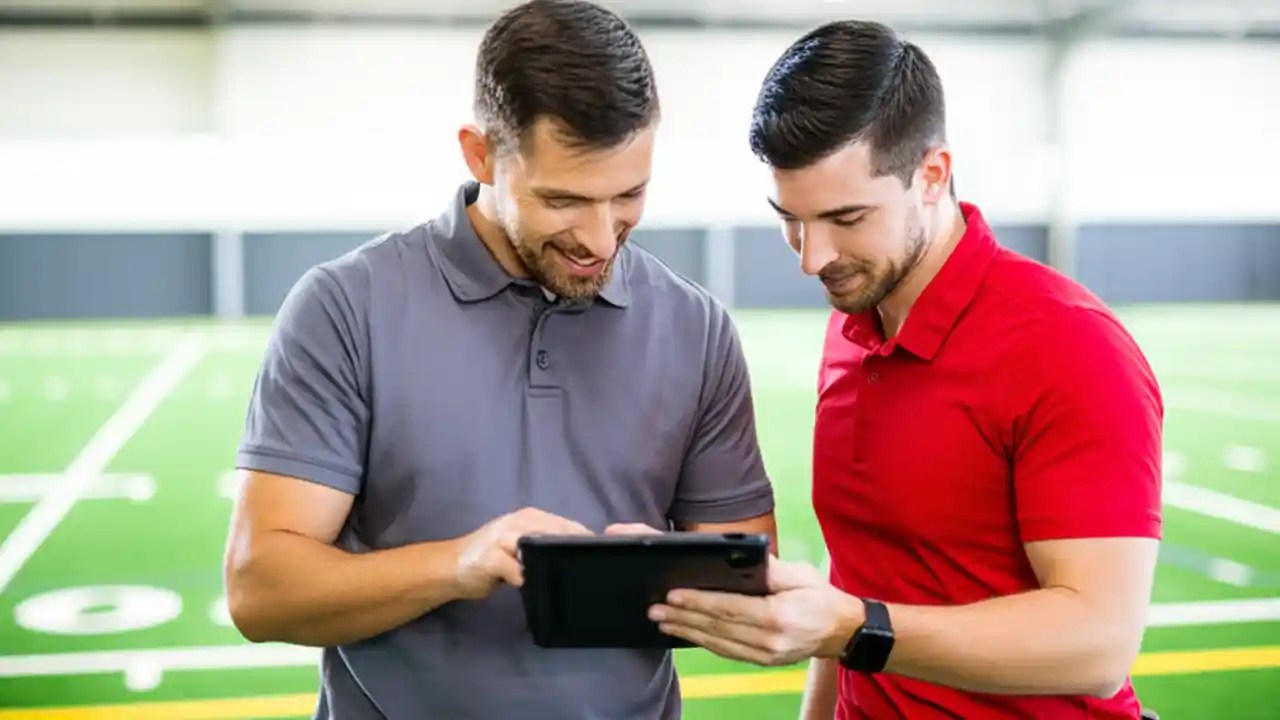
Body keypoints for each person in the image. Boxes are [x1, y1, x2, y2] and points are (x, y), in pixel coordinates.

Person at [221, 1, 777, 717]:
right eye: (564, 200)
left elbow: (750, 587)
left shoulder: (697, 328)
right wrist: (457, 564)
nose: (602, 240)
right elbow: (261, 591)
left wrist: (657, 569)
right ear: (480, 153)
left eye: (629, 195)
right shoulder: (343, 306)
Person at [645, 19, 1163, 720]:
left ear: (932, 175)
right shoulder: (854, 326)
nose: (811, 256)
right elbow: (855, 580)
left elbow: (1098, 646)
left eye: (846, 217)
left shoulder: (1068, 344)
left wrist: (856, 627)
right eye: (789, 218)